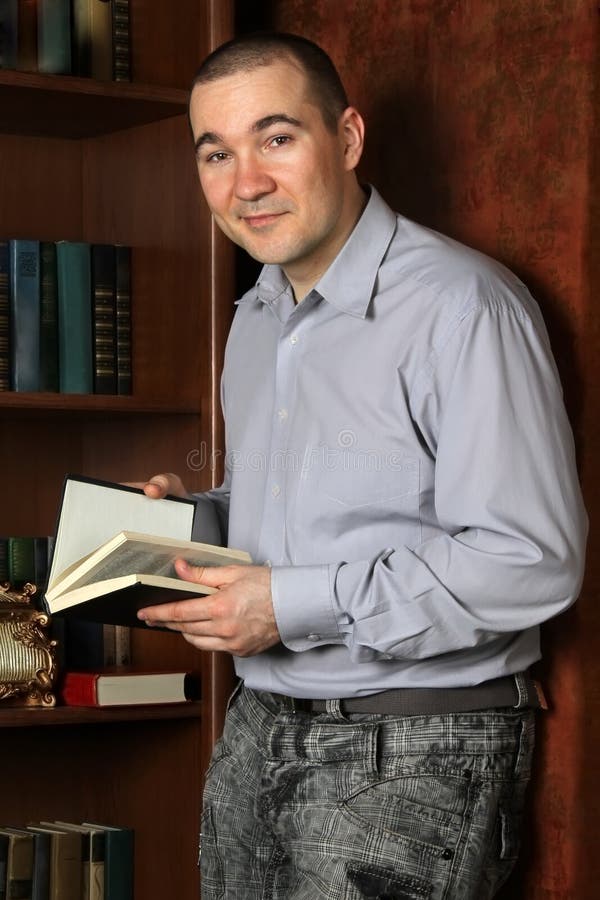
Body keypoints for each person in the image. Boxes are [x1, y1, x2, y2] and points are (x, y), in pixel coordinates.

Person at [132, 32, 587, 900]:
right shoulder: (257, 317)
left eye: (276, 138)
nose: (246, 183)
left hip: (411, 752)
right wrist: (190, 519)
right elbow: (307, 508)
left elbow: (531, 561)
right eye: (216, 154)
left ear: (346, 139)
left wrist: (289, 605)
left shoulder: (464, 308)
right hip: (255, 732)